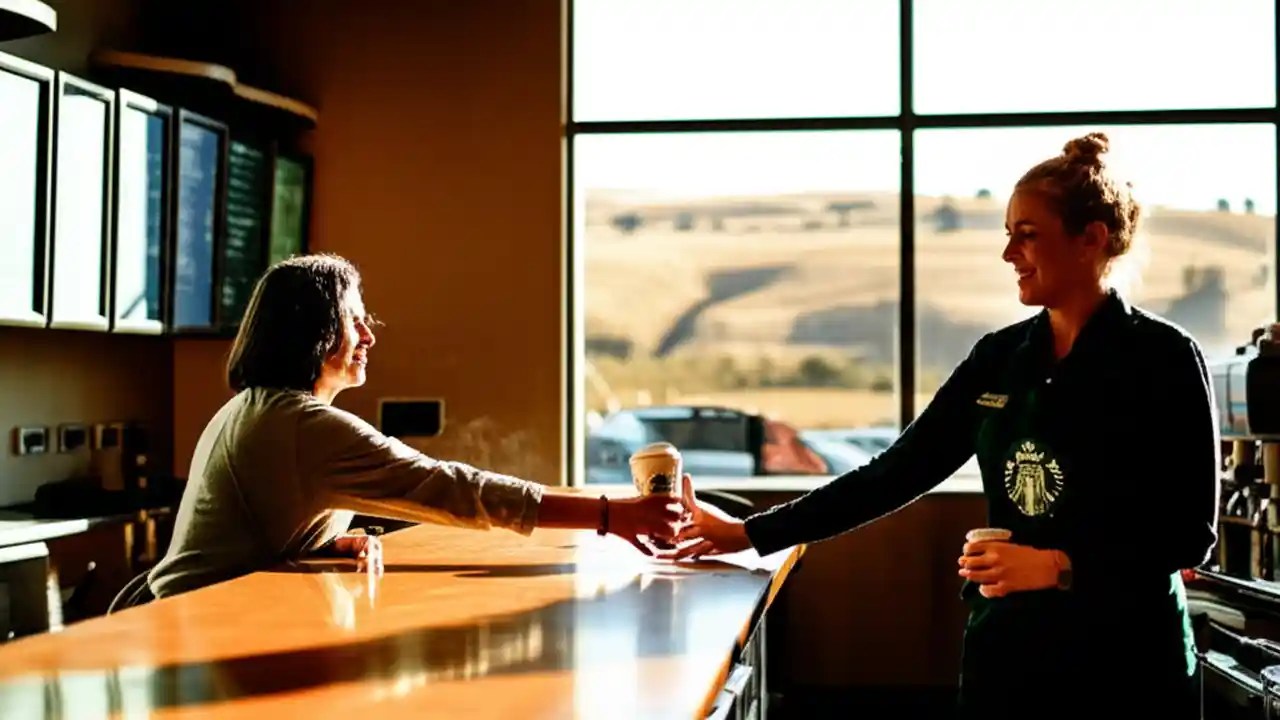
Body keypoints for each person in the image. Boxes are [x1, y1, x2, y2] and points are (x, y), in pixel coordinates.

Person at [670, 133, 1219, 718]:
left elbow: (1188, 533)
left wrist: (1059, 566)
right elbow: (896, 473)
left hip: (1128, 669)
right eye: (1008, 235)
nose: (1010, 254)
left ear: (1092, 239)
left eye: (1027, 235)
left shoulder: (1163, 359)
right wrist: (751, 534)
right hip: (1011, 664)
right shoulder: (999, 359)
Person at [131, 254, 681, 605]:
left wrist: (315, 545)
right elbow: (455, 489)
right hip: (190, 633)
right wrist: (612, 516)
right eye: (354, 320)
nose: (369, 335)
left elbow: (248, 536)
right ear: (314, 333)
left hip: (183, 620)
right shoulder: (300, 425)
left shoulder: (256, 408)